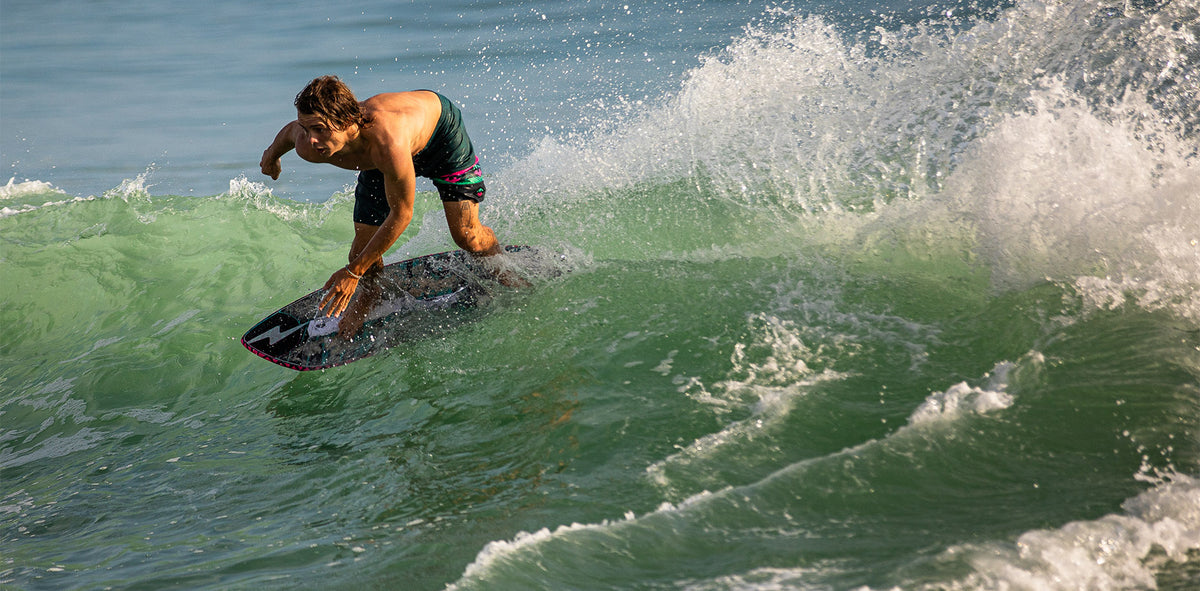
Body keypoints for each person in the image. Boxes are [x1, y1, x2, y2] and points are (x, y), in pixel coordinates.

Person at [259, 75, 504, 338]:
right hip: (377, 158)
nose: (312, 140)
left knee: (467, 236)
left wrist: (353, 273)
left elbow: (403, 214)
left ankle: (500, 264)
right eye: (307, 129)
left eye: (320, 129)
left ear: (346, 121)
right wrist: (271, 157)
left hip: (440, 136)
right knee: (361, 250)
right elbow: (288, 133)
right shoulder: (307, 144)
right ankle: (371, 295)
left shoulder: (387, 140)